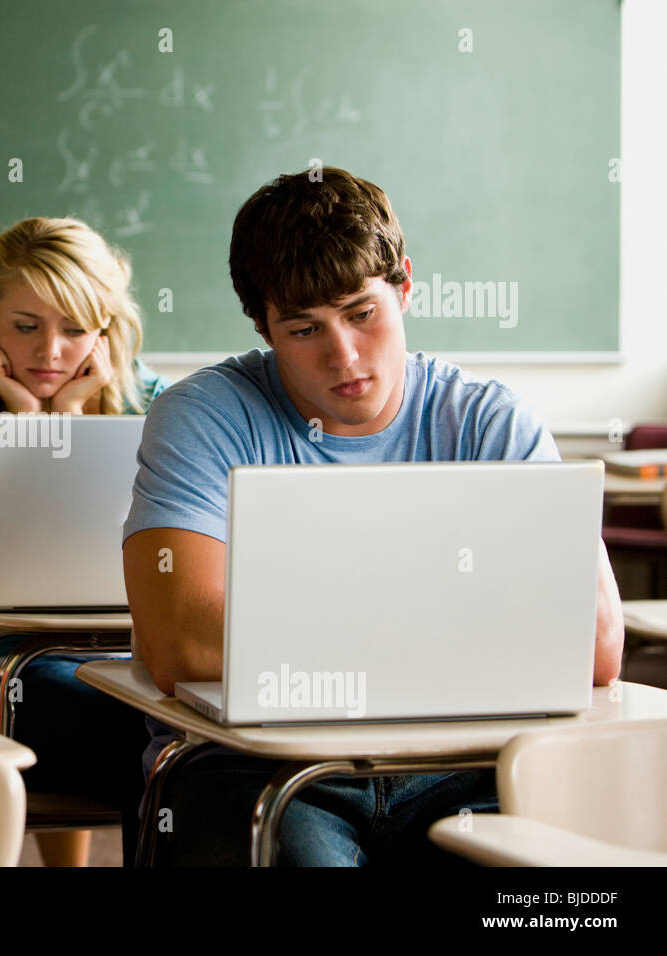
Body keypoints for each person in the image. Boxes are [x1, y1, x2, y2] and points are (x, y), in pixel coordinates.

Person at [122, 166, 624, 866]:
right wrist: (466, 616)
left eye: (362, 312)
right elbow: (185, 645)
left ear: (405, 283)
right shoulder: (202, 416)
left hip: (464, 770)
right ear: (263, 326)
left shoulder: (488, 421)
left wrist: (301, 627)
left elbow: (592, 643)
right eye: (303, 330)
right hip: (258, 770)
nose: (344, 356)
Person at [0, 216, 166, 865]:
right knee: (139, 734)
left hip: (137, 656)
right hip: (13, 664)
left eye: (75, 328)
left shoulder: (155, 403)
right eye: (26, 326)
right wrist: (27, 434)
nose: (51, 351)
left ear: (106, 330)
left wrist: (73, 422)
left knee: (167, 734)